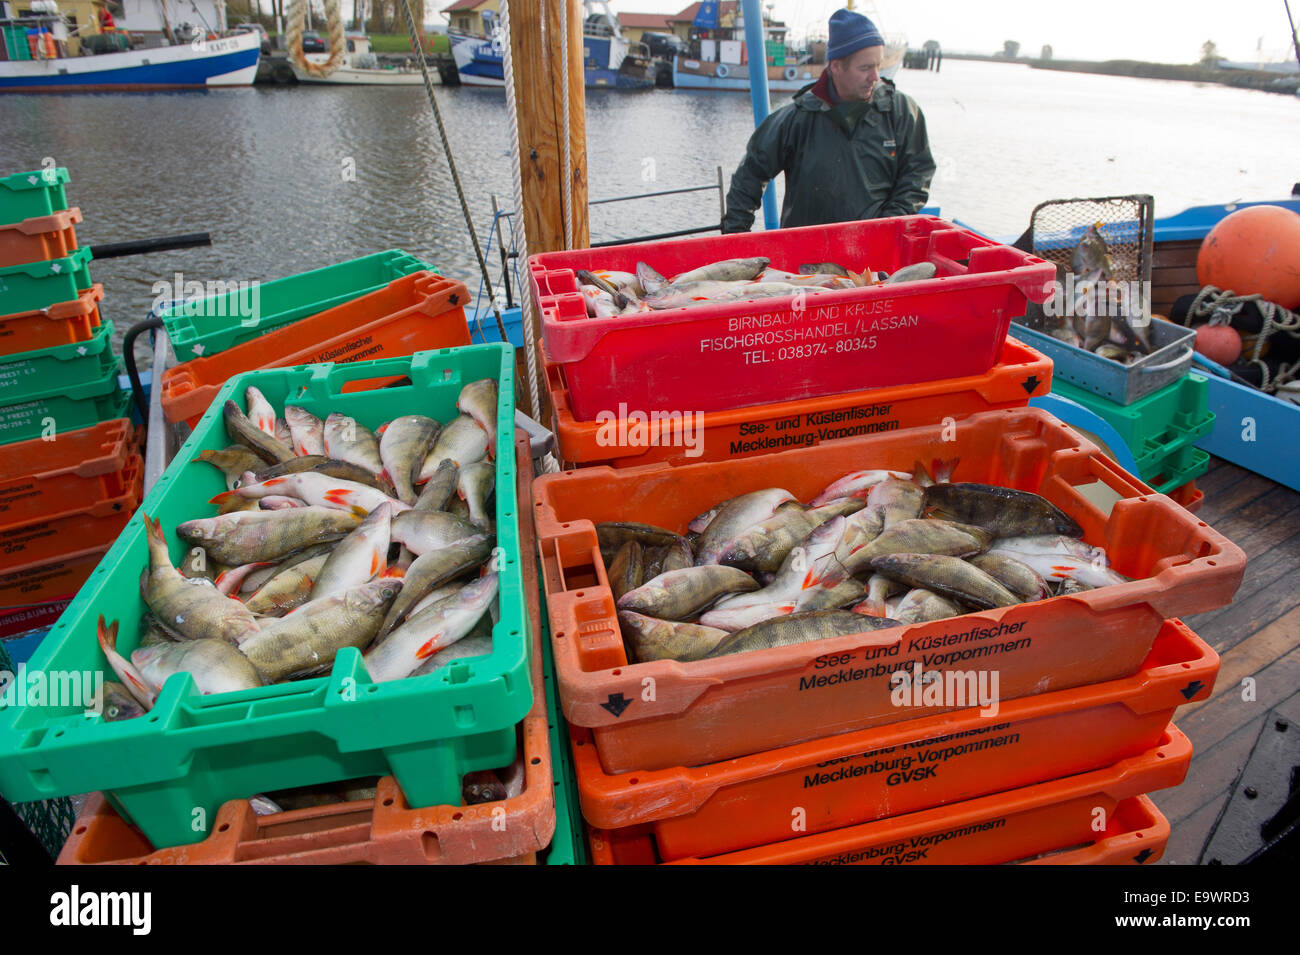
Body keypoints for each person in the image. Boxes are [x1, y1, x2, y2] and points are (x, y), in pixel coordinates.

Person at [721, 8, 936, 234]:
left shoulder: (900, 111)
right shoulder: (796, 119)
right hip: (806, 256)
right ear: (836, 66)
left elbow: (918, 171)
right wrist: (736, 236)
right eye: (865, 68)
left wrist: (888, 223)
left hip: (875, 250)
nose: (875, 76)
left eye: (878, 66)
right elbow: (750, 174)